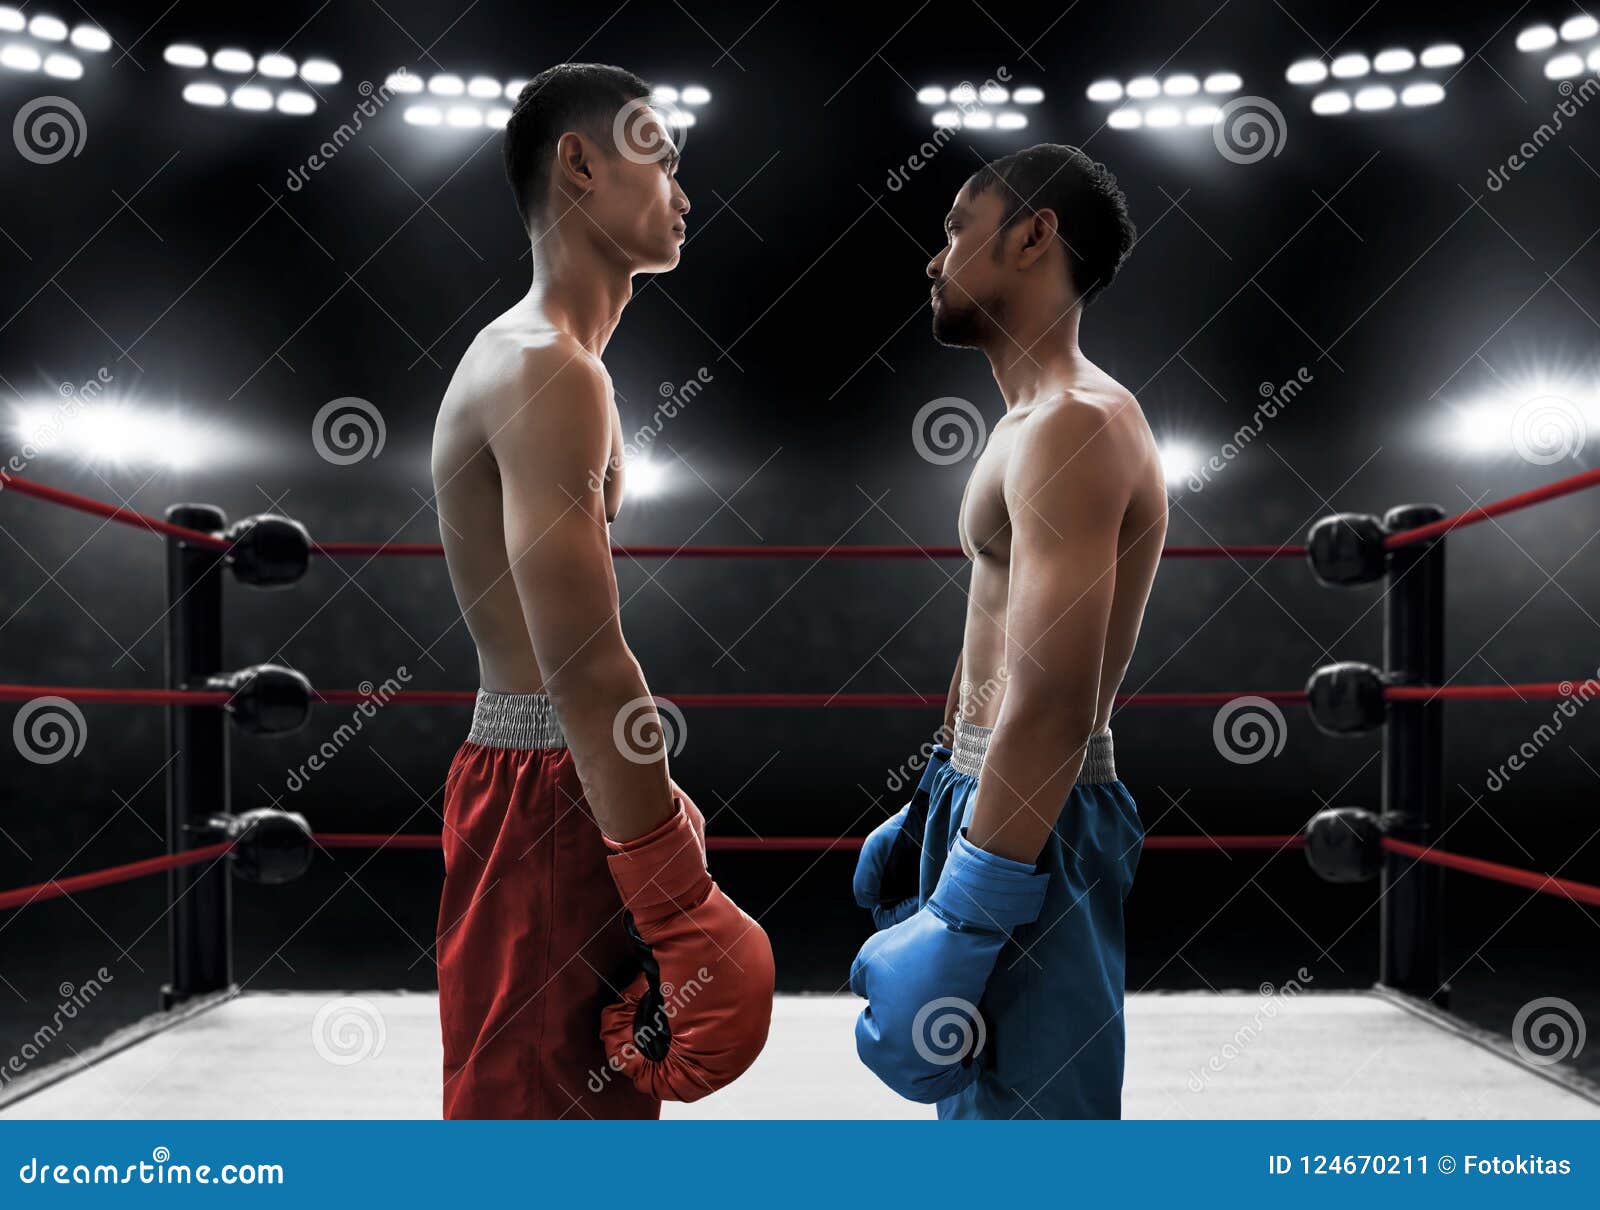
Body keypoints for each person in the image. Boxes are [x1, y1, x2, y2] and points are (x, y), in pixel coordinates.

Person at [429, 62, 773, 1120]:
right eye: (660, 160)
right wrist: (675, 893)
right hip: (547, 788)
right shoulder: (545, 366)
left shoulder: (567, 364)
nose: (684, 193)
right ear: (579, 164)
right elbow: (580, 664)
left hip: (557, 780)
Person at [851, 143, 1163, 1119]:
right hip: (987, 797)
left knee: (1035, 1138)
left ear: (1033, 237)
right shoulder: (1024, 423)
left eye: (956, 229)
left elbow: (1056, 702)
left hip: (1036, 813)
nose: (934, 257)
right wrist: (935, 793)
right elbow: (995, 643)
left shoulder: (1076, 422)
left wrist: (969, 905)